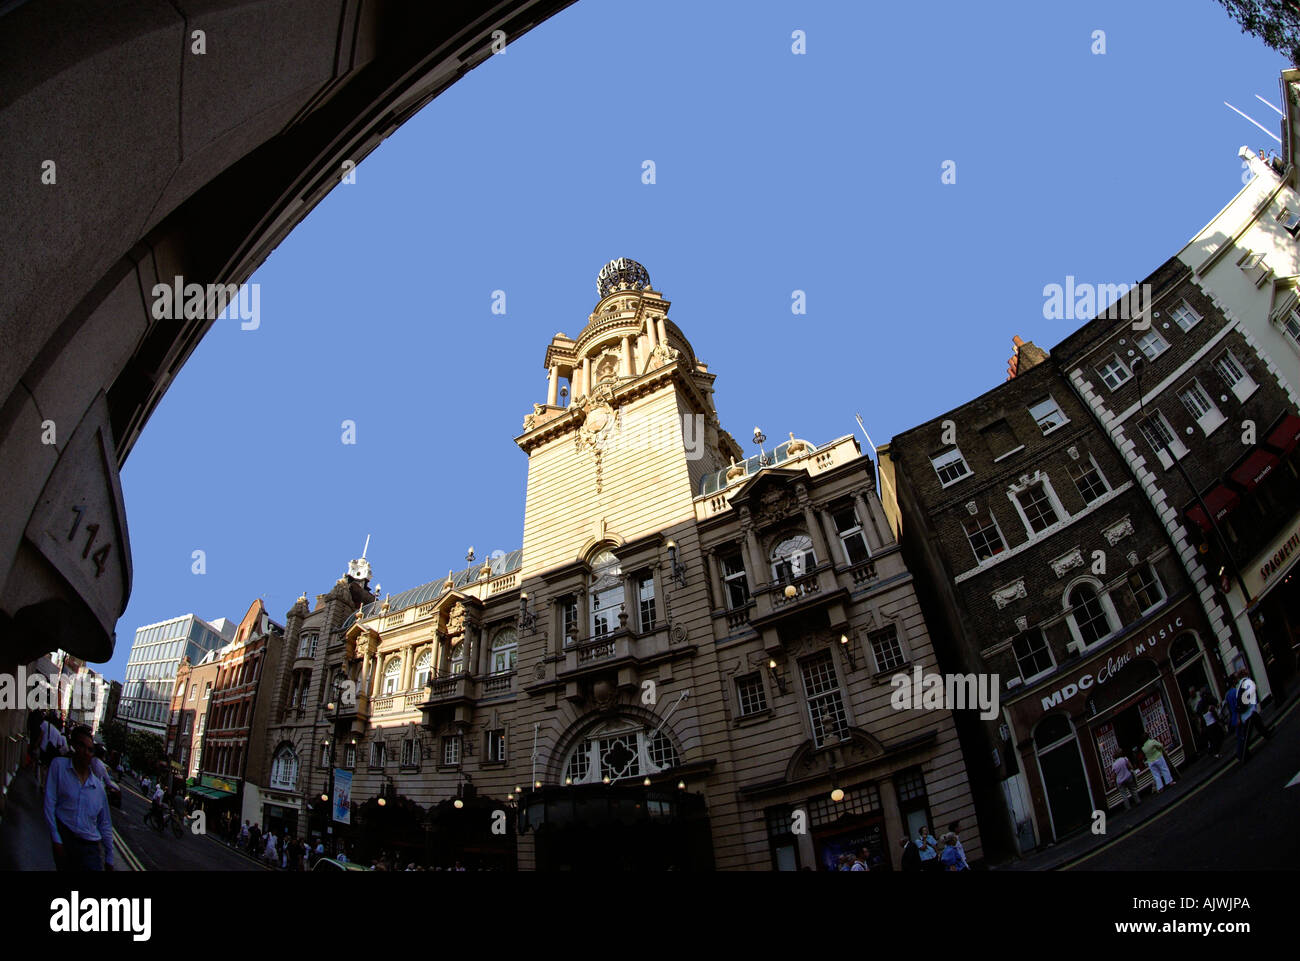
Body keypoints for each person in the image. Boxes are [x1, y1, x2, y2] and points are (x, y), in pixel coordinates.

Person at [43, 725, 114, 871]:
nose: (85, 752)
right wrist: (56, 838)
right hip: (66, 838)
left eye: (90, 749)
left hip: (90, 847)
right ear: (74, 746)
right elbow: (49, 803)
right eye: (81, 746)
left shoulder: (98, 788)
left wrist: (110, 856)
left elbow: (105, 823)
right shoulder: (59, 766)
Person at [1231, 670, 1272, 762]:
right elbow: (1245, 699)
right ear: (1244, 674)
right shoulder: (1245, 682)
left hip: (1249, 713)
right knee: (1246, 736)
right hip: (1248, 713)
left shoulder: (1240, 685)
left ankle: (1267, 734)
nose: (1247, 672)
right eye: (1246, 672)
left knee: (1259, 724)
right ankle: (1242, 755)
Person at [1199, 688, 1225, 759]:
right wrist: (1220, 721)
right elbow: (1215, 716)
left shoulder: (1202, 709)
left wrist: (1202, 727)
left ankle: (1214, 751)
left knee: (1214, 739)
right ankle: (1216, 752)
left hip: (1208, 726)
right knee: (1220, 737)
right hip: (1214, 724)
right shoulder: (1211, 707)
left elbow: (1201, 719)